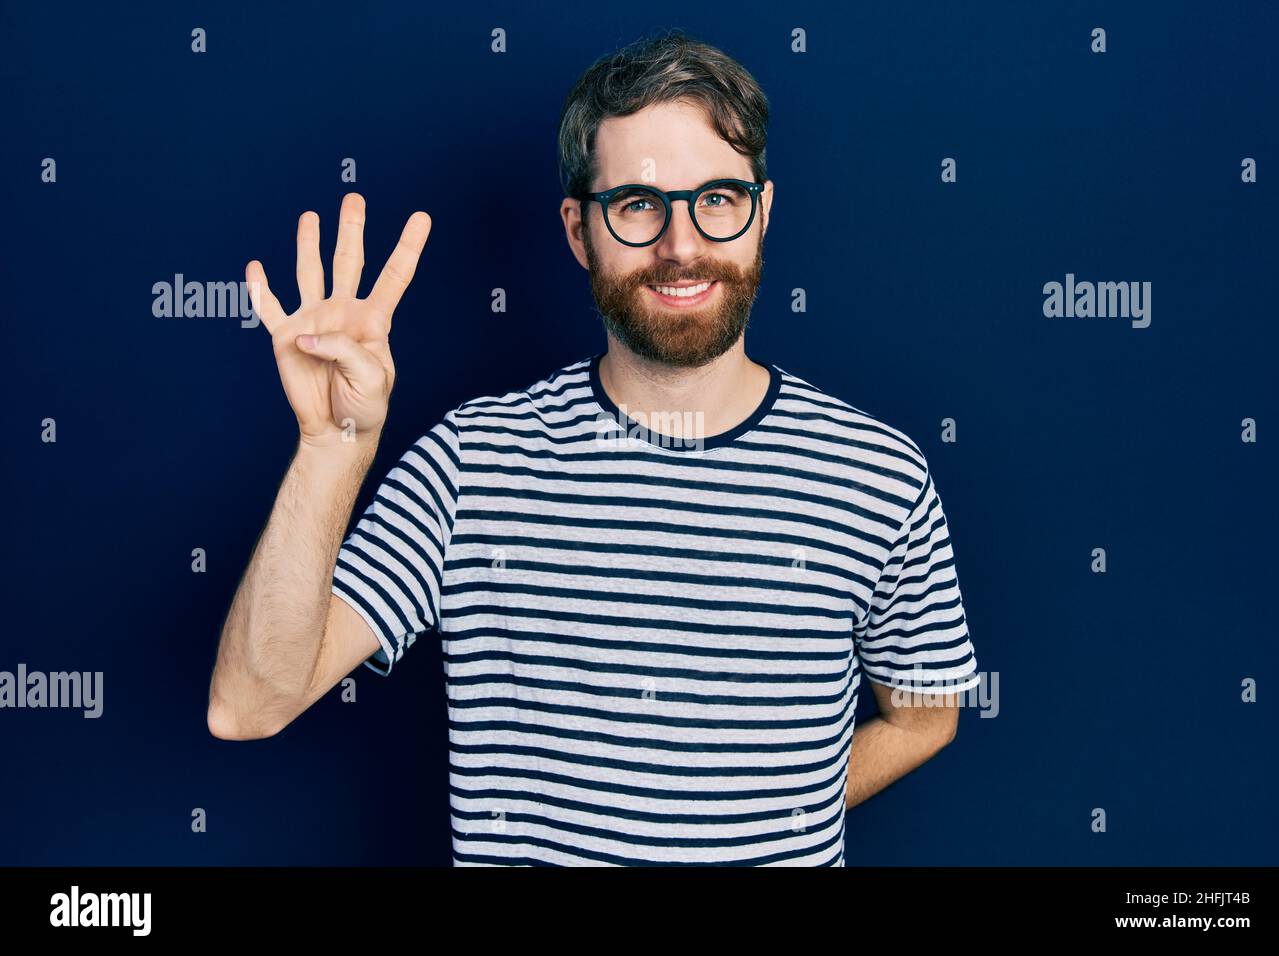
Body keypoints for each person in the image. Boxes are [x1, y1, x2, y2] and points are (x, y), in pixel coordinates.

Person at [208, 29, 979, 866]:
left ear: (762, 213)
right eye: (639, 205)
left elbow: (925, 712)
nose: (682, 246)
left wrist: (767, 818)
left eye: (718, 198)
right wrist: (332, 447)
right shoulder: (474, 462)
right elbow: (250, 704)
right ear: (579, 231)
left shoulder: (879, 475)